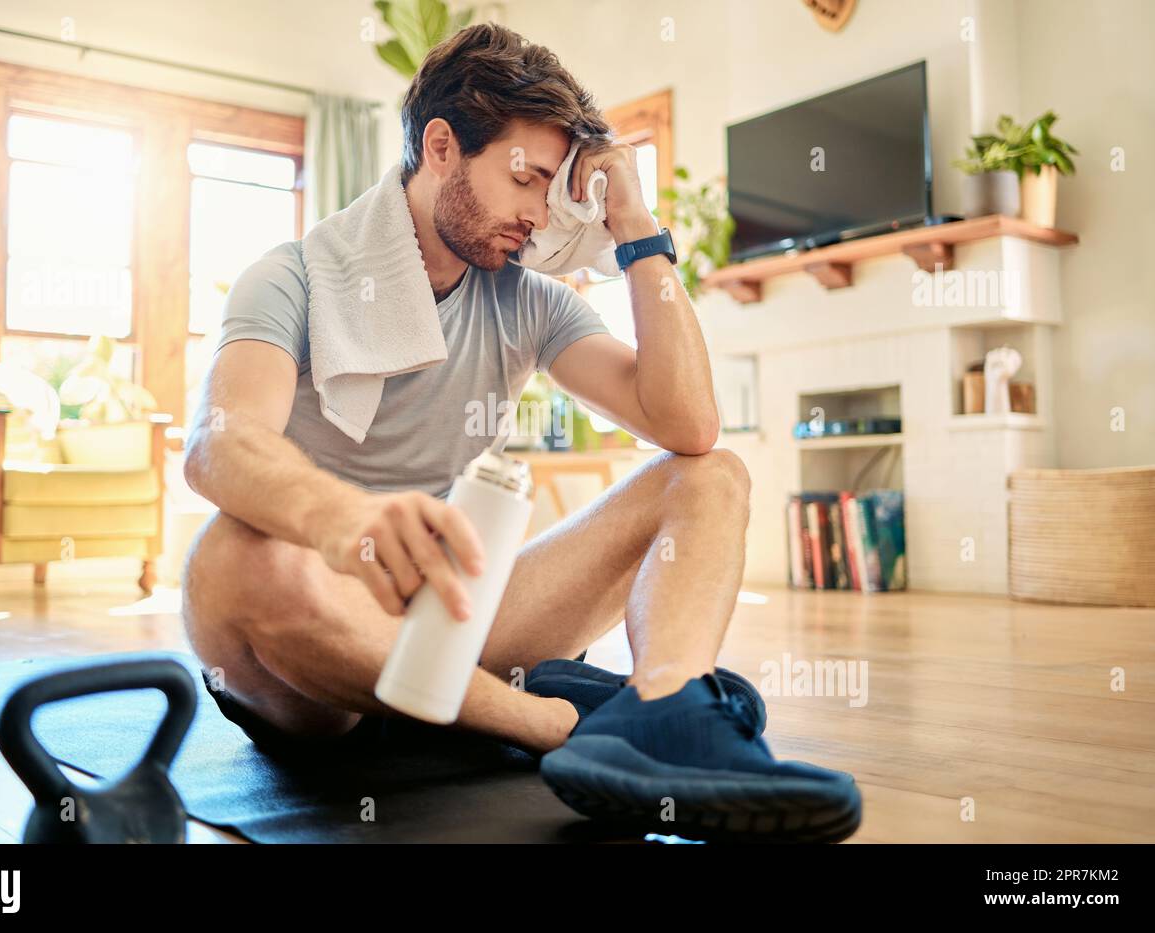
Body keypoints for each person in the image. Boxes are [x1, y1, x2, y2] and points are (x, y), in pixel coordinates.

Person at [182, 23, 860, 841]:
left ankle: (664, 707)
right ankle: (560, 727)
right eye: (526, 180)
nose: (539, 216)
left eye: (552, 189)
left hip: (450, 622)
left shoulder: (525, 298)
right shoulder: (291, 278)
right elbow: (219, 445)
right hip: (320, 656)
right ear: (441, 147)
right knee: (226, 557)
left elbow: (687, 425)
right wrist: (349, 522)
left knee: (711, 474)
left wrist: (636, 226)